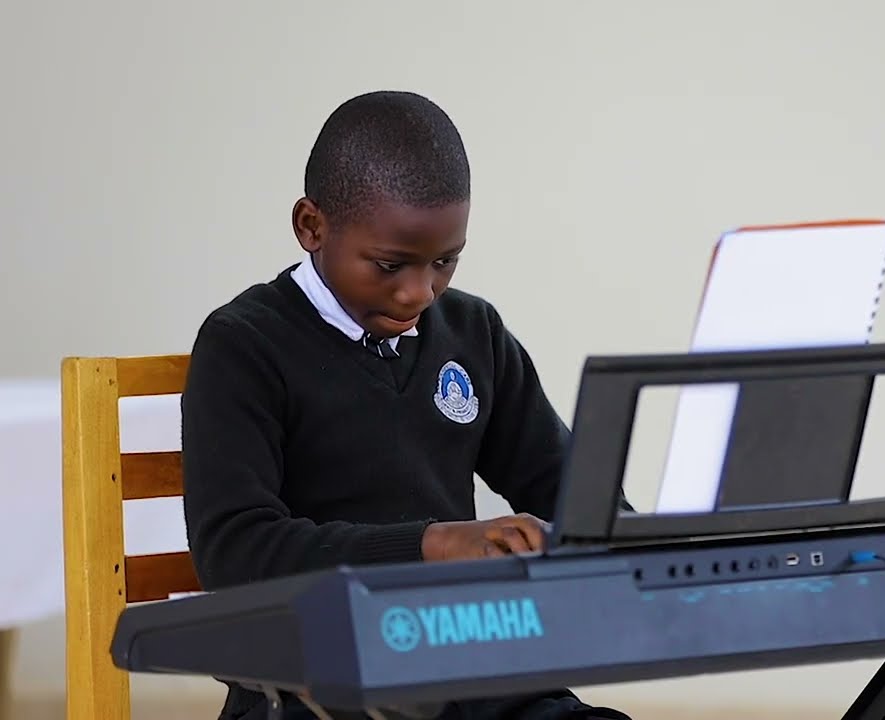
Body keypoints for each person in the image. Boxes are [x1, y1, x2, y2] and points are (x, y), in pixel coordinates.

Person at [181, 90, 631, 720]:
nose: (420, 292)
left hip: (472, 670)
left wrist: (614, 543)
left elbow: (565, 485)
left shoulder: (473, 333)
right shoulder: (244, 345)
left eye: (444, 261)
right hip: (314, 688)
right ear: (312, 225)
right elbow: (236, 554)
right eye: (390, 265)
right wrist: (434, 546)